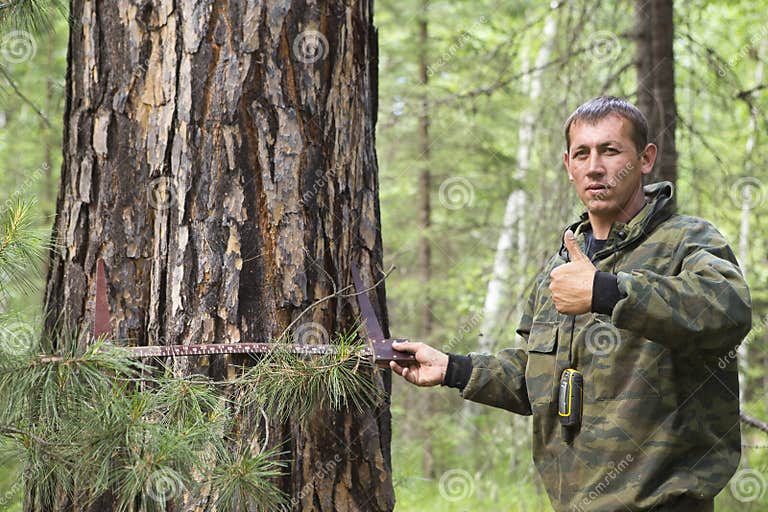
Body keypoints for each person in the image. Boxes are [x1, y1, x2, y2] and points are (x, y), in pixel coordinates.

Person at [390, 96, 752, 512]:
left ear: (646, 159)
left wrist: (605, 291)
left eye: (610, 150)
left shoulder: (686, 240)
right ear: (569, 166)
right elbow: (536, 381)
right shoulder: (560, 269)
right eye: (582, 153)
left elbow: (729, 309)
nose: (595, 166)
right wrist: (453, 368)